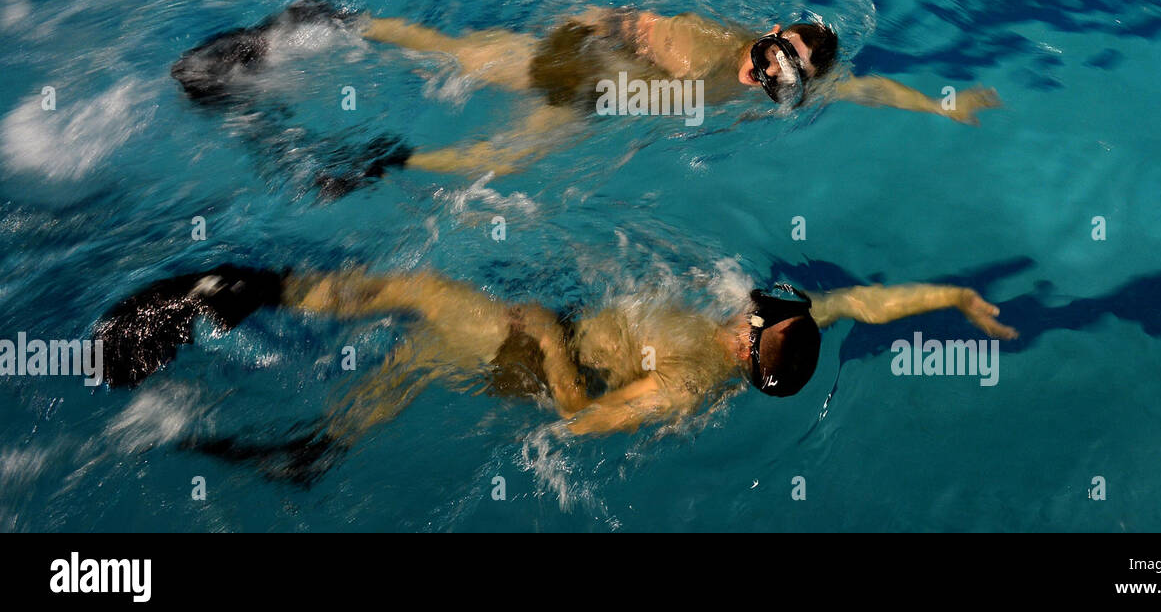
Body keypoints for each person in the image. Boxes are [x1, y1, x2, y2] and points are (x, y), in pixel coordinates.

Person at [95, 259, 1017, 482]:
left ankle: (244, 290)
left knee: (418, 292)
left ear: (752, 342)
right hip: (554, 332)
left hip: (533, 359)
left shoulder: (691, 383)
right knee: (415, 353)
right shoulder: (752, 342)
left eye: (761, 312)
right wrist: (957, 298)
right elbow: (865, 303)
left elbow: (579, 422)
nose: (758, 299)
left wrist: (541, 341)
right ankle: (316, 449)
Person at [170, 0, 1001, 191]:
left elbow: (867, 89)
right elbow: (625, 20)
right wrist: (579, 34)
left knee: (498, 167)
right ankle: (323, 22)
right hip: (578, 76)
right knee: (451, 50)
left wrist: (943, 106)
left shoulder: (791, 86)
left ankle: (374, 160)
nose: (760, 72)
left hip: (604, 106)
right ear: (760, 38)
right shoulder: (709, 44)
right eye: (764, 54)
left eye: (778, 76)